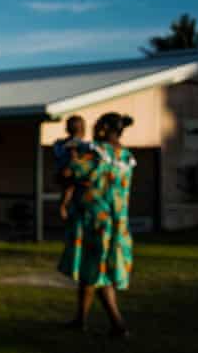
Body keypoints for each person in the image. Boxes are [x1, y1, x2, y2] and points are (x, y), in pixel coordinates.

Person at [57, 113, 136, 338]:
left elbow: (68, 174)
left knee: (98, 273)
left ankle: (118, 325)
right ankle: (80, 319)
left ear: (103, 128)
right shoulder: (126, 156)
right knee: (90, 272)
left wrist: (71, 153)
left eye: (96, 124)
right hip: (117, 222)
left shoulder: (96, 153)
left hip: (95, 222)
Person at [53, 115, 91, 222]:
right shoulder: (83, 145)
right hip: (72, 173)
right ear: (83, 130)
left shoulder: (60, 144)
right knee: (72, 194)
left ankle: (64, 210)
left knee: (67, 195)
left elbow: (58, 154)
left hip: (65, 173)